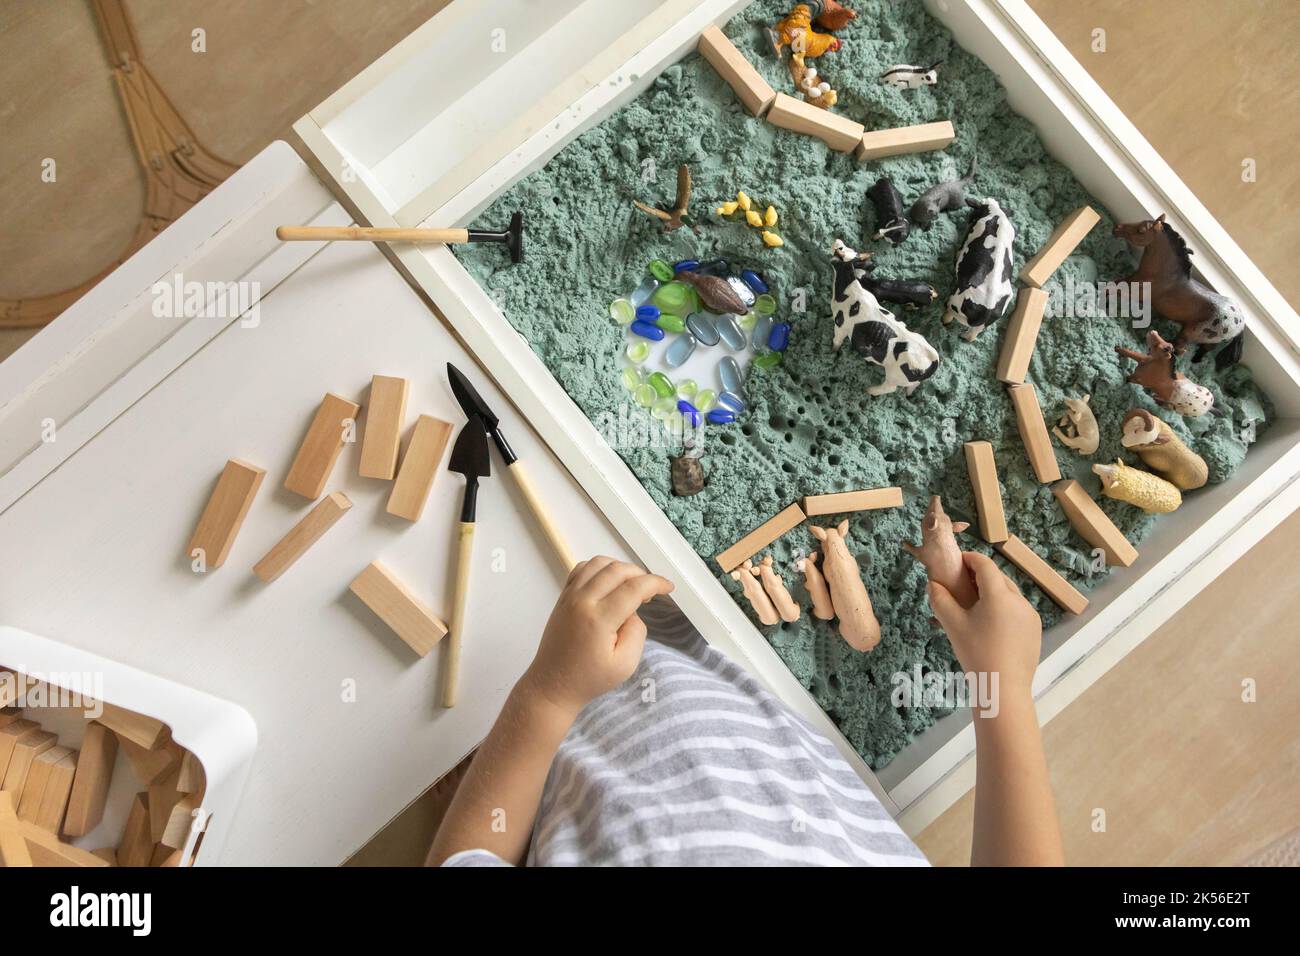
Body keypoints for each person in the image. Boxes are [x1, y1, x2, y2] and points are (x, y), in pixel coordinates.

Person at [427, 552, 1064, 866]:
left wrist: (546, 695)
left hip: (526, 718)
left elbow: (464, 860)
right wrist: (1003, 687)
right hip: (735, 667)